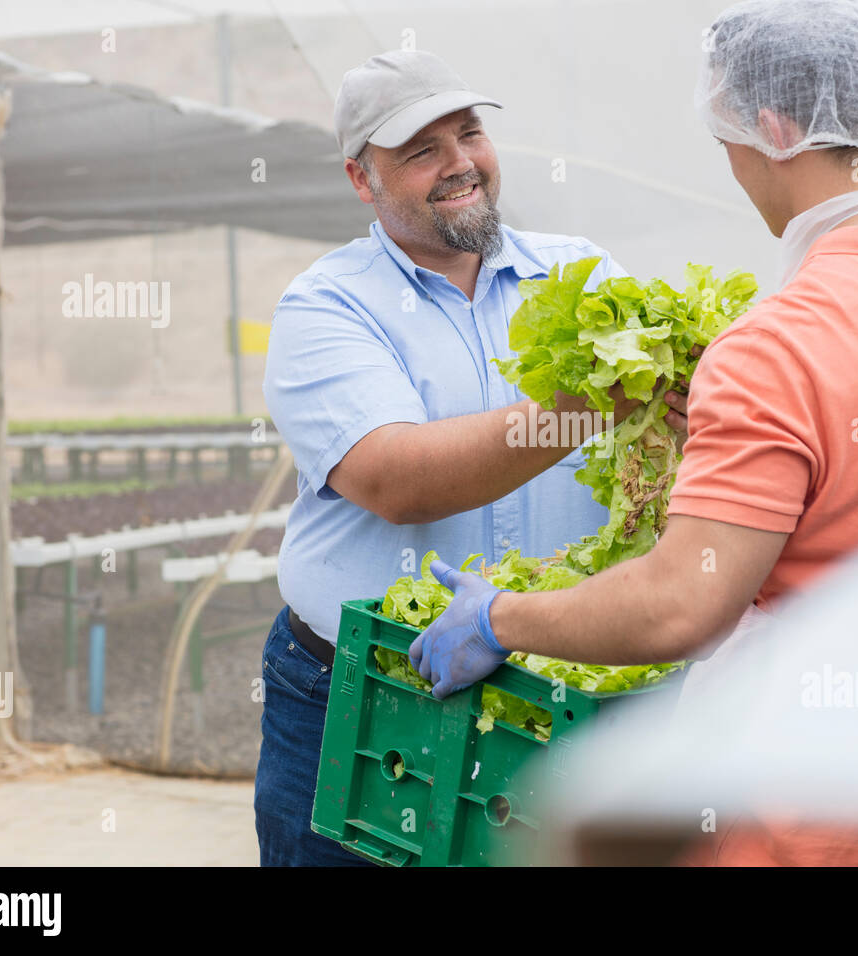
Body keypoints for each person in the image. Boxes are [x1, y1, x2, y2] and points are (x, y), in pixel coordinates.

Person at [411, 0, 858, 865]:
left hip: (811, 818)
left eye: (728, 144)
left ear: (773, 125)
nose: (734, 171)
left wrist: (498, 617)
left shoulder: (775, 346)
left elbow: (680, 605)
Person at [254, 49, 685, 866]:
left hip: (546, 695)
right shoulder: (327, 304)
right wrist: (598, 402)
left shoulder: (582, 273)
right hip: (364, 699)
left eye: (469, 133)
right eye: (421, 150)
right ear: (361, 177)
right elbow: (397, 478)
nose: (460, 164)